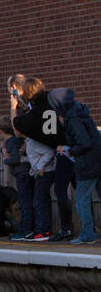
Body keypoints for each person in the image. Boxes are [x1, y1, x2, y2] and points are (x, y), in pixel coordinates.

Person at [13, 78, 74, 242]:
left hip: (60, 153)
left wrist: (15, 108)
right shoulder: (53, 103)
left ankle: (64, 228)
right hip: (67, 147)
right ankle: (71, 227)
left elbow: (20, 125)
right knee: (80, 190)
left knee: (58, 192)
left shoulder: (36, 114)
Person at [61, 90, 101, 245]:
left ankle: (88, 234)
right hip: (98, 159)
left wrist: (71, 150)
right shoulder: (83, 115)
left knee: (81, 199)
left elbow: (84, 143)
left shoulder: (73, 120)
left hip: (87, 164)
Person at [0, 117, 34, 241]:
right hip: (24, 172)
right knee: (27, 201)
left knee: (25, 202)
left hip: (22, 173)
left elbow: (14, 159)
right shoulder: (15, 141)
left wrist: (5, 159)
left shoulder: (12, 142)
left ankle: (26, 230)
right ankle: (28, 228)